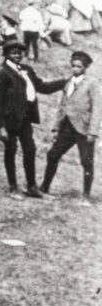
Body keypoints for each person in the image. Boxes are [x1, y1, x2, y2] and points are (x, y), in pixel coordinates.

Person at [0, 40, 54, 198]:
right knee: (10, 151)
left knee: (30, 150)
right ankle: (13, 187)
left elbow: (42, 87)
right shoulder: (2, 74)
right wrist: (1, 127)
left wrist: (65, 83)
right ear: (6, 55)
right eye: (13, 53)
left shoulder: (26, 70)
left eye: (20, 53)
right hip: (9, 120)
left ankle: (32, 187)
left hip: (25, 119)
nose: (17, 55)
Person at [40, 51, 99, 203]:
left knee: (86, 161)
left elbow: (97, 109)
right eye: (73, 66)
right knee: (53, 154)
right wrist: (56, 127)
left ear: (85, 67)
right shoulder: (69, 82)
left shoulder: (92, 83)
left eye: (79, 66)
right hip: (67, 126)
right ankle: (44, 187)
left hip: (83, 129)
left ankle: (86, 195)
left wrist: (92, 132)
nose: (75, 69)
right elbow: (62, 106)